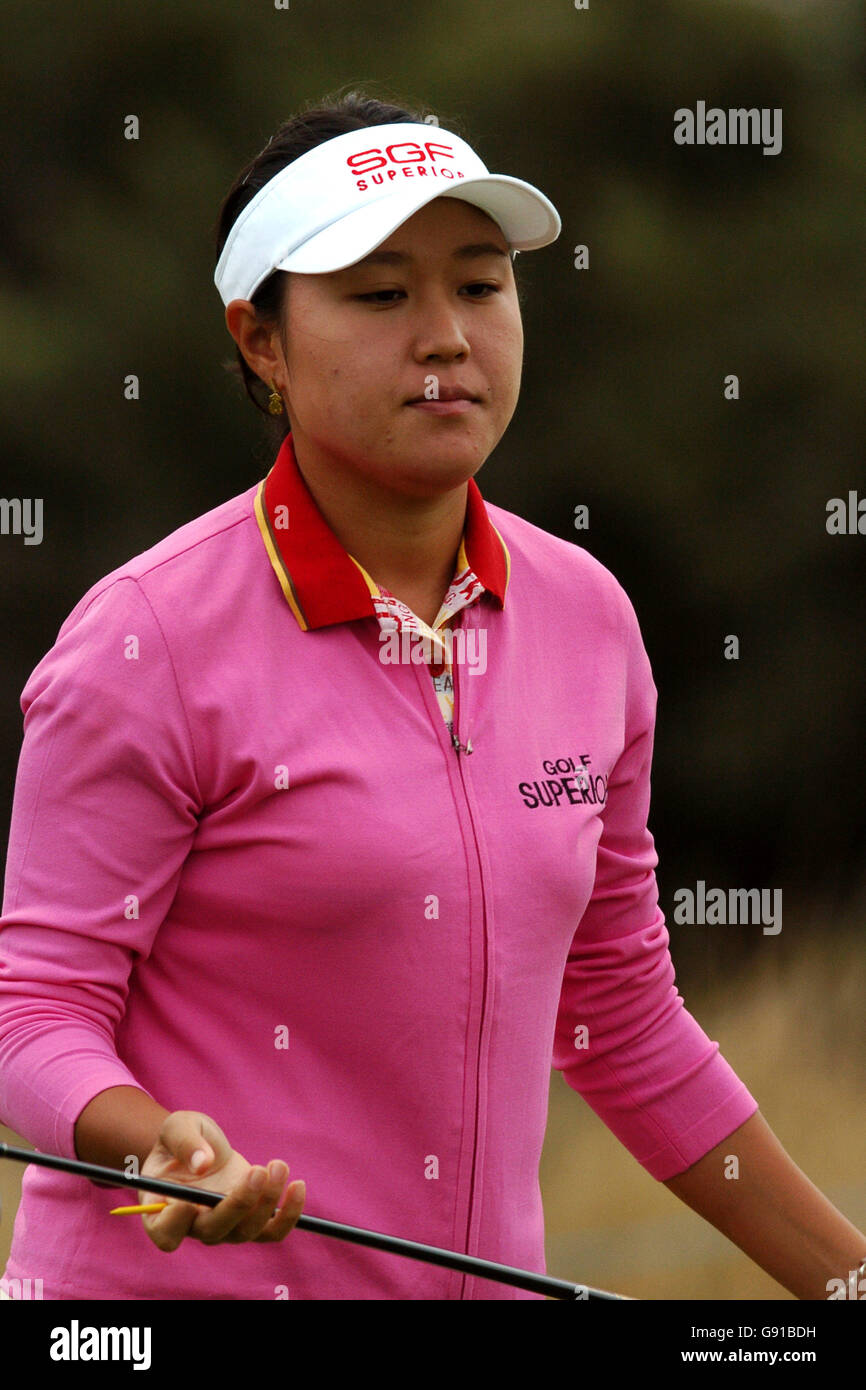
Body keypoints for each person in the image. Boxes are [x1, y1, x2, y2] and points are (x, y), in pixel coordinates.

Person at [0, 89, 864, 1302]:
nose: (446, 334)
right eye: (378, 293)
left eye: (477, 284)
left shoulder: (586, 618)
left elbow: (617, 1017)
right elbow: (33, 1012)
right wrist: (151, 1139)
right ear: (260, 340)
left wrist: (845, 1282)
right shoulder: (144, 641)